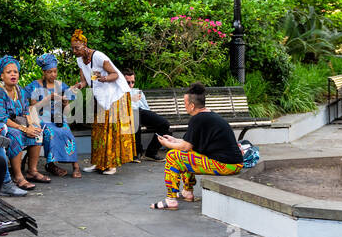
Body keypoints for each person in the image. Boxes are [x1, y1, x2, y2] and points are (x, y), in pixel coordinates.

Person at [149, 82, 244, 210]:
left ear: (192, 105)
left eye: (185, 103)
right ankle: (187, 192)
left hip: (226, 165)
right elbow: (189, 144)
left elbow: (185, 147)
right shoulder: (207, 116)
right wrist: (174, 140)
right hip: (233, 163)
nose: (184, 106)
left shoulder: (198, 119)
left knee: (172, 156)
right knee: (186, 155)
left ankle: (171, 200)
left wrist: (167, 144)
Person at [70, 29, 135, 174]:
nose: (74, 51)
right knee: (98, 130)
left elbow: (115, 75)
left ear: (85, 45)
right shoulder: (80, 60)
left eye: (77, 48)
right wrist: (77, 86)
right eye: (73, 48)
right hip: (101, 96)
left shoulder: (99, 57)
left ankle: (111, 165)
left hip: (115, 96)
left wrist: (103, 78)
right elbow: (84, 81)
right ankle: (98, 162)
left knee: (110, 130)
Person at [0, 56, 48, 190]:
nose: (13, 74)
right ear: (2, 75)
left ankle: (32, 171)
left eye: (15, 72)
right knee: (16, 135)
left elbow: (26, 111)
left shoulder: (19, 90)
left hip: (15, 123)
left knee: (37, 131)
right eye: (9, 72)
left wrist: (30, 125)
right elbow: (1, 119)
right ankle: (18, 176)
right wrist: (24, 129)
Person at [28, 53, 80, 178]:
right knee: (51, 132)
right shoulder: (35, 85)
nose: (53, 74)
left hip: (58, 118)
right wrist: (47, 99)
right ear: (43, 72)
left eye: (55, 71)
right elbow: (32, 109)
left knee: (67, 132)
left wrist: (65, 103)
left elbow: (67, 112)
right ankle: (51, 164)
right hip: (41, 118)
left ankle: (76, 166)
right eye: (49, 72)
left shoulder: (61, 86)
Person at [122, 68, 170, 162]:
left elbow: (146, 108)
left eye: (133, 82)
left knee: (164, 124)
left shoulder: (138, 92)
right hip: (127, 114)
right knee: (135, 116)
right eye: (128, 82)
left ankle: (151, 153)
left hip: (141, 113)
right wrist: (130, 99)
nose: (131, 85)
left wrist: (150, 120)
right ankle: (136, 153)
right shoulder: (119, 93)